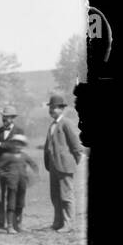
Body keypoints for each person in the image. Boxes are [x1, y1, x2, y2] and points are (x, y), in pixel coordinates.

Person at [43, 93, 84, 232]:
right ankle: (58, 222)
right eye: (50, 108)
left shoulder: (66, 123)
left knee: (66, 196)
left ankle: (68, 224)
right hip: (54, 166)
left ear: (62, 109)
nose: (51, 110)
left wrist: (74, 162)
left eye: (54, 108)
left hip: (65, 166)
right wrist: (49, 163)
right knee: (55, 195)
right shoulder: (52, 125)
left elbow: (76, 145)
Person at [0, 132, 37, 234]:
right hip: (12, 184)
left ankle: (18, 225)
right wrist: (6, 176)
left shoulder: (24, 156)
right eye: (16, 143)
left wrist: (33, 174)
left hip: (22, 183)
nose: (18, 145)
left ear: (23, 145)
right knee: (11, 203)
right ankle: (10, 226)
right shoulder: (6, 156)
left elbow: (33, 164)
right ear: (12, 144)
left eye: (20, 144)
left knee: (20, 203)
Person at [0, 104, 22, 228]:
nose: (4, 119)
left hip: (13, 168)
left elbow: (16, 147)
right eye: (3, 117)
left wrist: (1, 145)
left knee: (12, 194)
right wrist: (7, 145)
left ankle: (13, 223)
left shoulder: (19, 131)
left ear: (12, 118)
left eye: (6, 117)